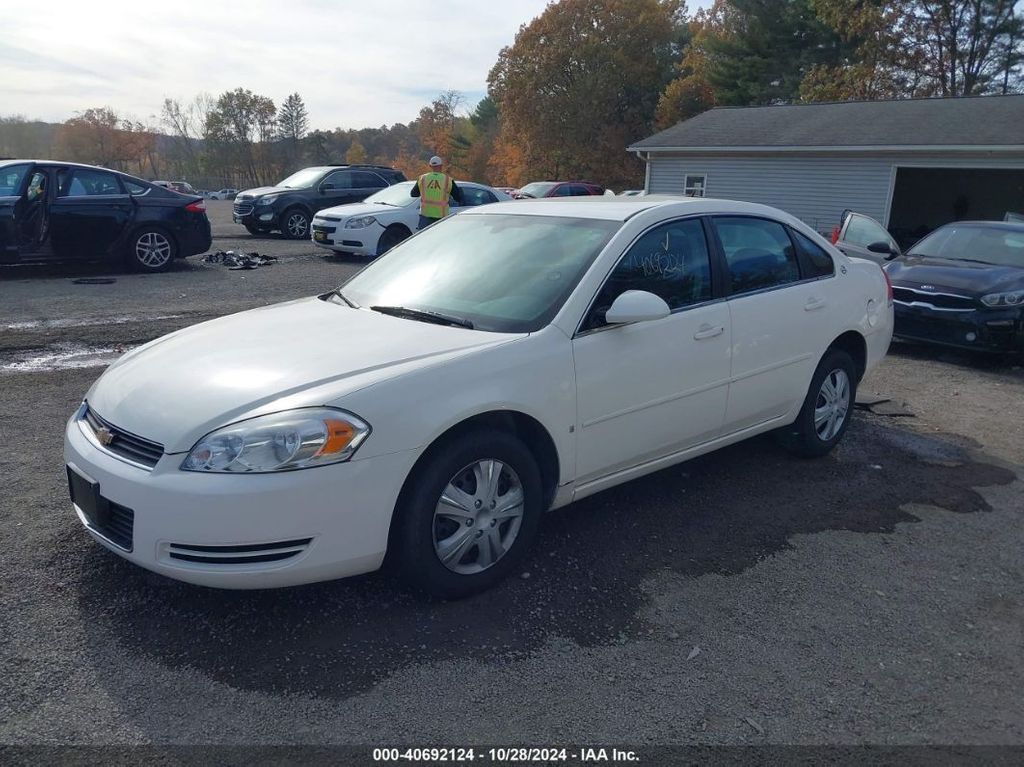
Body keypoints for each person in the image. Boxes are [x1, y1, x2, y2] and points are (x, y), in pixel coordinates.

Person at [411, 156, 462, 230]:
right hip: (441, 217)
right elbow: (458, 197)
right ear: (441, 166)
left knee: (423, 239)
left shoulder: (422, 178)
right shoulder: (448, 180)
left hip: (425, 216)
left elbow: (413, 194)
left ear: (430, 166)